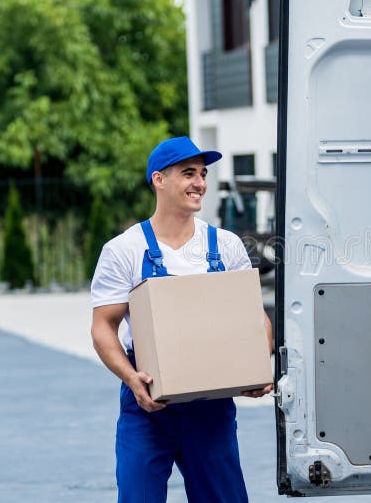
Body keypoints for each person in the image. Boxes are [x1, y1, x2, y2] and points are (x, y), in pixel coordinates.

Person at [90, 136, 273, 503]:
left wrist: (257, 365)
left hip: (211, 408)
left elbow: (255, 319)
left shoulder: (225, 246)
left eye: (203, 174)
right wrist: (131, 379)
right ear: (159, 179)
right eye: (188, 173)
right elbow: (102, 327)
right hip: (147, 403)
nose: (200, 183)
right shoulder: (124, 249)